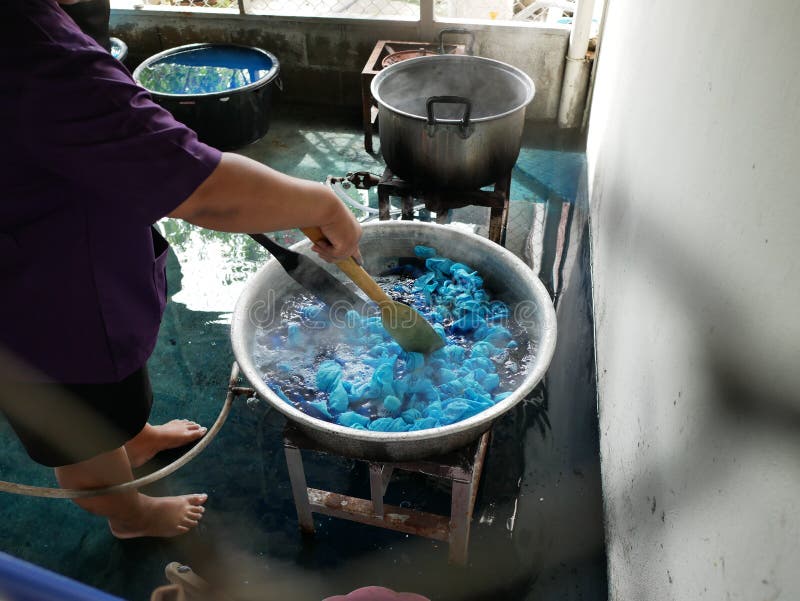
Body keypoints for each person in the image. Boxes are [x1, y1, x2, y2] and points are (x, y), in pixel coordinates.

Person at [0, 0, 362, 539]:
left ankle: (132, 437)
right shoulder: (30, 51)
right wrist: (323, 205)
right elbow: (201, 188)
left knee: (116, 387)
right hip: (42, 313)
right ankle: (130, 516)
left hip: (72, 260)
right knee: (81, 442)